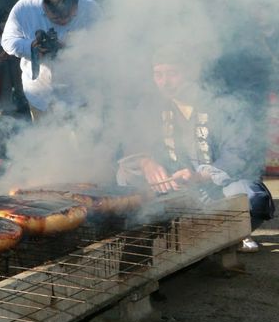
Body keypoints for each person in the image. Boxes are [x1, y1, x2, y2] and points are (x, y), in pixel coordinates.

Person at [117, 47, 275, 252]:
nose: (165, 82)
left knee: (251, 195)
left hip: (215, 187)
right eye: (158, 75)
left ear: (192, 72)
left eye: (173, 73)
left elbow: (239, 154)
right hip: (174, 187)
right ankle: (160, 228)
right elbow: (133, 141)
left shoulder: (221, 103)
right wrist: (145, 162)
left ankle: (236, 232)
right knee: (123, 174)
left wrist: (200, 176)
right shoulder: (150, 104)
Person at [1, 0, 100, 120]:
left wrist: (74, 47)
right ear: (44, 6)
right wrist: (31, 47)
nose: (64, 21)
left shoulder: (91, 9)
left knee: (84, 140)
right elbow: (7, 41)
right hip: (40, 93)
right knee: (47, 140)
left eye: (69, 17)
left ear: (76, 5)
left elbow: (106, 42)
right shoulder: (25, 8)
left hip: (80, 92)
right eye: (56, 18)